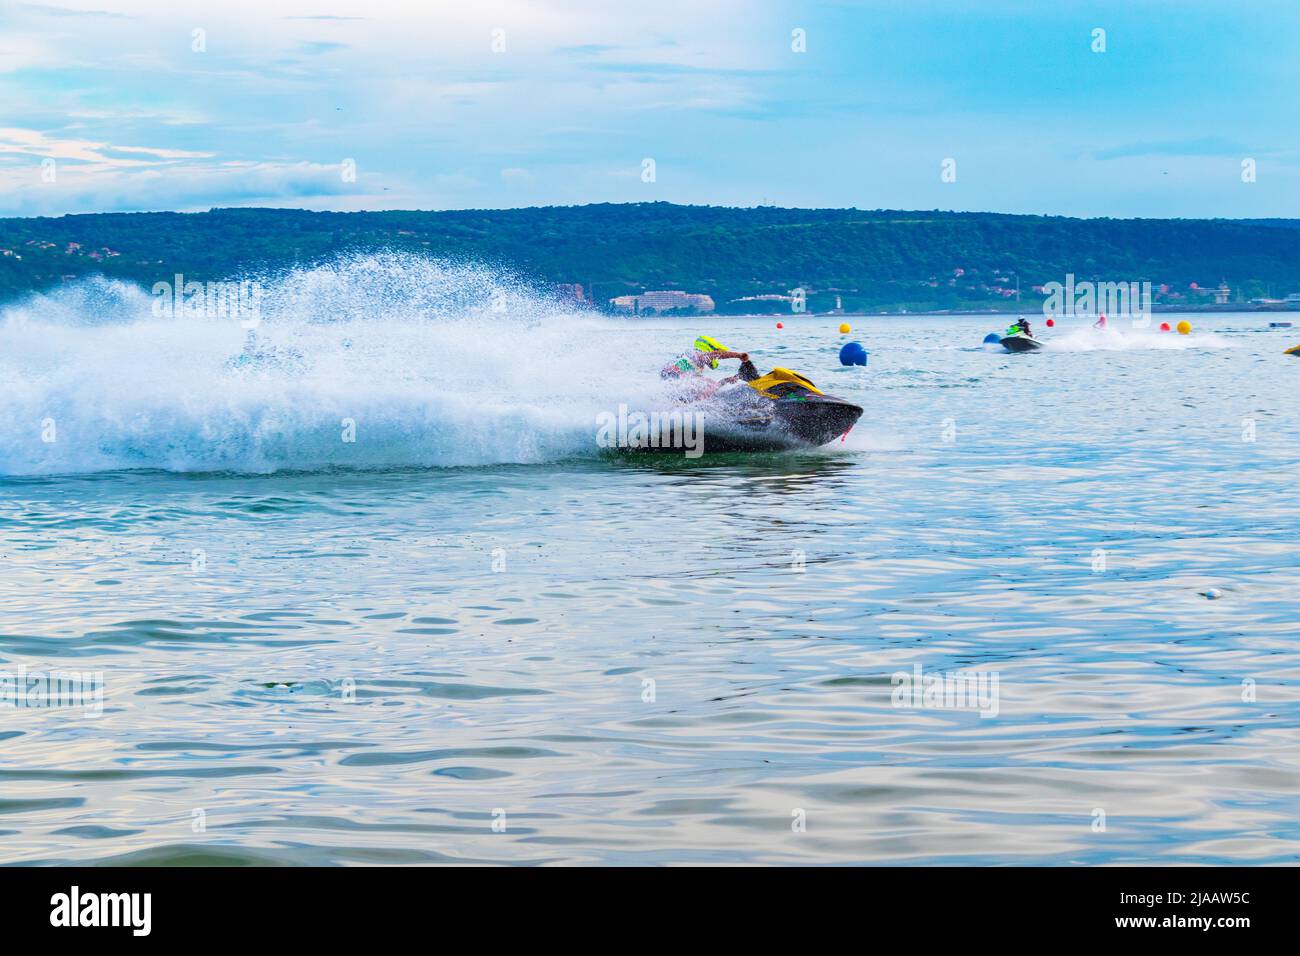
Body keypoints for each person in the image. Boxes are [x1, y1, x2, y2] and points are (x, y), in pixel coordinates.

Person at [661, 336, 751, 400]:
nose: (715, 359)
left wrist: (726, 380)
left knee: (707, 385)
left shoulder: (690, 361)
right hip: (674, 375)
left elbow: (712, 387)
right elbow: (713, 355)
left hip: (670, 380)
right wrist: (738, 355)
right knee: (707, 385)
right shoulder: (696, 354)